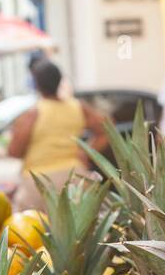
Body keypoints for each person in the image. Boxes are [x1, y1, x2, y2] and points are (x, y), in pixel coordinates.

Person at [7, 60, 107, 211]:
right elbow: (106, 129)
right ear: (59, 80)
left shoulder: (32, 114)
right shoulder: (77, 107)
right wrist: (87, 152)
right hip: (76, 179)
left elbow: (14, 152)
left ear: (36, 84)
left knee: (30, 231)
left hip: (38, 185)